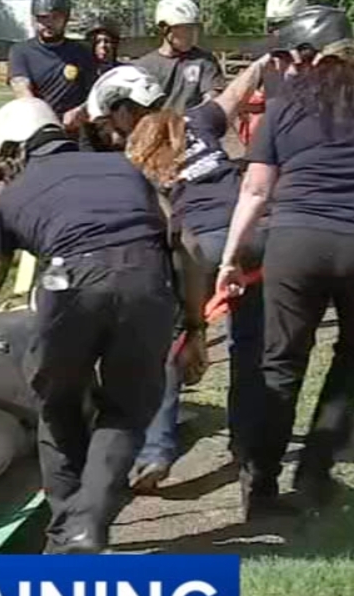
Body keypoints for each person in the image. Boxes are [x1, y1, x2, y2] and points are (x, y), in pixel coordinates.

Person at [0, 97, 212, 554]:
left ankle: (65, 536)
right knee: (126, 410)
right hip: (146, 284)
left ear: (12, 152)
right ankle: (88, 523)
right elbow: (189, 246)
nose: (4, 178)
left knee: (58, 406)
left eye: (1, 169)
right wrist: (195, 328)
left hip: (69, 285)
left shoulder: (9, 202)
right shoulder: (125, 170)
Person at [213, 4, 354, 514]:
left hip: (298, 241)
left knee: (280, 365)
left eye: (288, 56)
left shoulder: (287, 102)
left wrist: (230, 259)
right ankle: (317, 469)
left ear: (309, 52)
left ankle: (260, 485)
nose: (285, 68)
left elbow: (256, 190)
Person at [93, 57, 279, 492]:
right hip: (256, 237)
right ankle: (247, 443)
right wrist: (265, 60)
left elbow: (157, 224)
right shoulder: (196, 119)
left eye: (111, 121)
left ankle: (155, 452)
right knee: (249, 345)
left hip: (204, 247)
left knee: (167, 348)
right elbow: (234, 96)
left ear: (123, 110)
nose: (112, 131)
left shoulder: (130, 157)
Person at [8, 0, 95, 133]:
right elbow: (22, 89)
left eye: (55, 17)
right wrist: (44, 119)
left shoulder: (82, 51)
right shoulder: (21, 51)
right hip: (38, 126)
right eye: (43, 18)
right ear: (34, 19)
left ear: (65, 18)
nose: (49, 23)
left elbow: (95, 91)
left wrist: (80, 110)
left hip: (77, 127)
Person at [135, 0, 225, 113]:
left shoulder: (204, 61)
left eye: (192, 28)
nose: (191, 34)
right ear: (165, 29)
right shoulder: (144, 67)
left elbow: (212, 96)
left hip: (193, 127)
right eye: (185, 29)